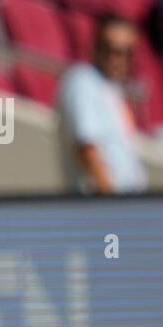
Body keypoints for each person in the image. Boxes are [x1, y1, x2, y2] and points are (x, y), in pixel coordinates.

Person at [57, 14, 150, 193]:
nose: (118, 59)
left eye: (126, 52)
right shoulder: (82, 81)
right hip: (100, 210)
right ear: (96, 47)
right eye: (111, 49)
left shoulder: (112, 91)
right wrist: (110, 205)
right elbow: (87, 147)